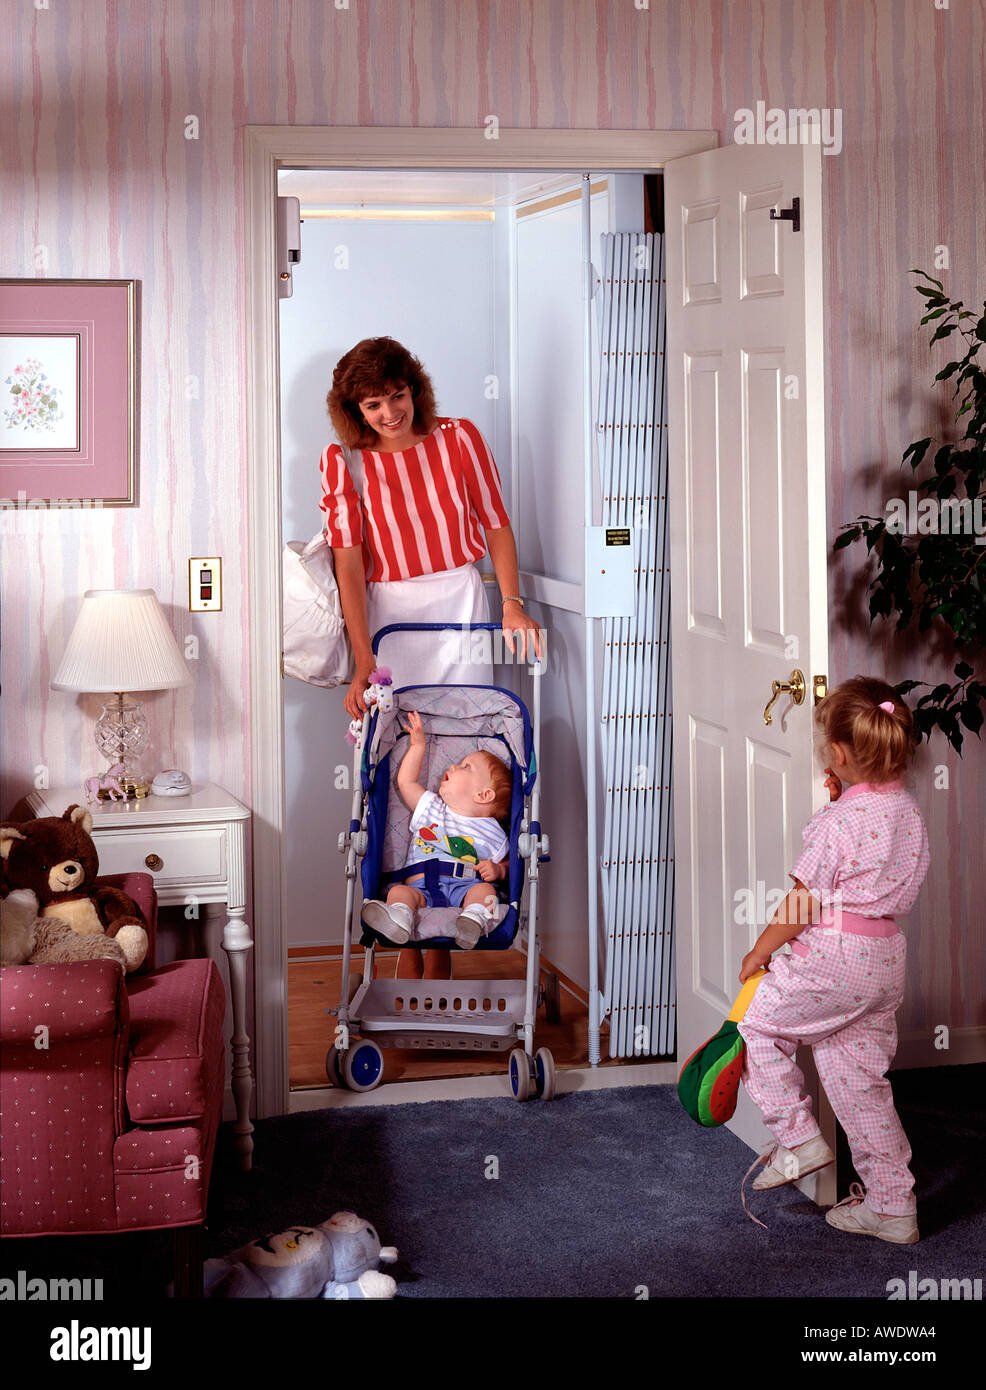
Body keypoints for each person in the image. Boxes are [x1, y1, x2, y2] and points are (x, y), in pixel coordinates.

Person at [322, 337, 543, 981]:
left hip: (461, 598)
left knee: (467, 744)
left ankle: (442, 962)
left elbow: (495, 522)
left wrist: (512, 602)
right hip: (391, 614)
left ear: (414, 387)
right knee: (393, 756)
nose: (390, 412)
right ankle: (406, 940)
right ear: (354, 410)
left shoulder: (460, 438)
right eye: (373, 404)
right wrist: (363, 663)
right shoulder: (346, 465)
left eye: (397, 395)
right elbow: (350, 569)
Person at [735, 676, 930, 1243]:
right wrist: (848, 794)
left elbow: (801, 903)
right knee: (859, 1085)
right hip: (885, 958)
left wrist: (761, 950)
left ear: (839, 755)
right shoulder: (909, 814)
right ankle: (895, 1208)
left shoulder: (836, 822)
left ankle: (798, 1139)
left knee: (755, 1027)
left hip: (833, 955)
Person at [360, 710, 510, 950]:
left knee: (486, 891)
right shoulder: (432, 807)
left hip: (467, 886)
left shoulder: (492, 831)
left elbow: (509, 864)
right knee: (399, 892)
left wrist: (499, 870)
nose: (453, 765)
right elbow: (406, 782)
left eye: (465, 766)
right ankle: (400, 917)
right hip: (420, 886)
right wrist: (418, 746)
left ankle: (474, 920)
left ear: (483, 795)